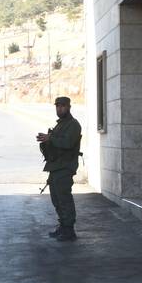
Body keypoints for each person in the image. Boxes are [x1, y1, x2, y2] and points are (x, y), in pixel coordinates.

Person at [38, 96, 82, 240]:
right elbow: (56, 141)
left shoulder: (73, 124)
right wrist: (47, 138)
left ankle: (69, 230)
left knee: (64, 199)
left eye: (63, 106)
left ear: (69, 107)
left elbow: (68, 143)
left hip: (65, 166)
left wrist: (50, 138)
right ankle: (63, 226)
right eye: (57, 106)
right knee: (56, 199)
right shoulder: (61, 124)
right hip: (55, 166)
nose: (60, 108)